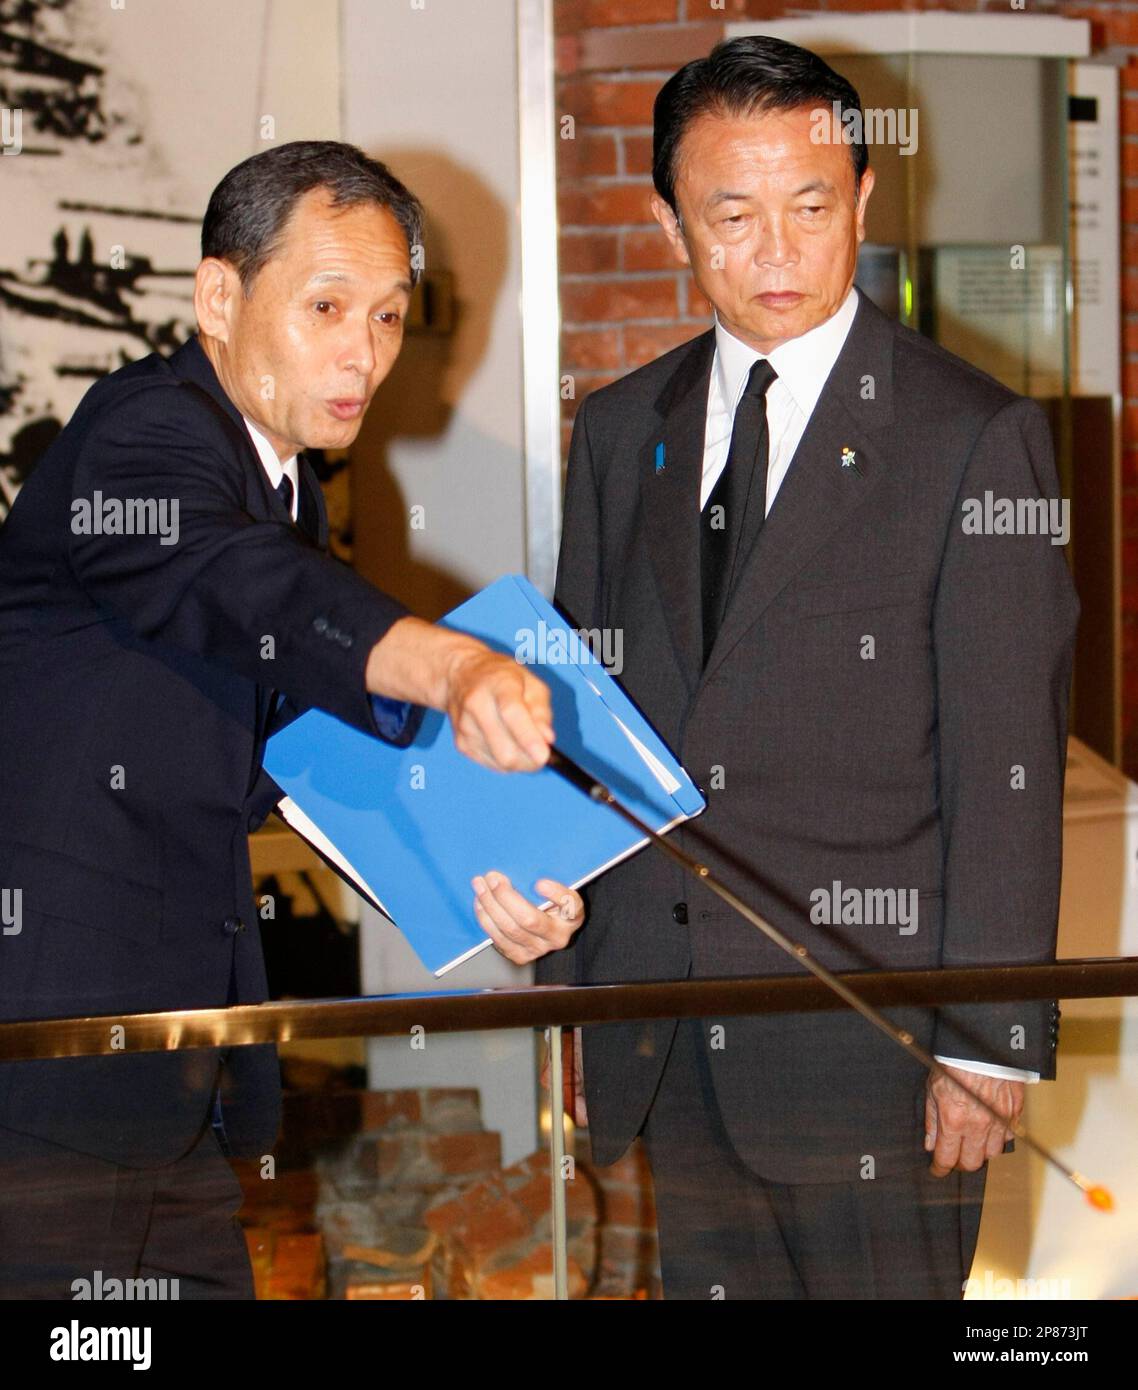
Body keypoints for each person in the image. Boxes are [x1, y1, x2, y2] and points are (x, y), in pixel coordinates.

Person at [537, 37, 1078, 1300]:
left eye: (811, 207)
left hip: (875, 1060)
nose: (775, 252)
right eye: (732, 214)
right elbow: (582, 717)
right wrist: (568, 979)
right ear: (673, 220)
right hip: (658, 1040)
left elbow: (1007, 765)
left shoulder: (973, 437)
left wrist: (991, 1042)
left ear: (863, 204)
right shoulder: (619, 433)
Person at [0, 140, 584, 1299]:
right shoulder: (144, 432)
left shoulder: (286, 488)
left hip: (176, 1075)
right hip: (48, 1065)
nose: (361, 352)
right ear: (219, 297)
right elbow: (248, 590)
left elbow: (305, 764)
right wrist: (453, 666)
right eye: (325, 307)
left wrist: (492, 879)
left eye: (384, 316)